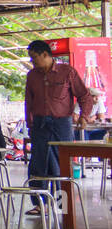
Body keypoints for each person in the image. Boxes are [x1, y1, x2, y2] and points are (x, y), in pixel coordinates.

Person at [24, 39, 93, 212]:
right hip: (39, 125)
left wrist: (84, 116)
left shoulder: (67, 71)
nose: (32, 63)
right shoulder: (32, 76)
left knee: (61, 165)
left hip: (62, 124)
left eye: (34, 58)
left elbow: (85, 96)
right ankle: (40, 205)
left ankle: (64, 206)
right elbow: (29, 102)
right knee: (37, 165)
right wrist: (30, 125)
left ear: (45, 54)